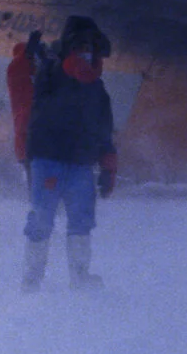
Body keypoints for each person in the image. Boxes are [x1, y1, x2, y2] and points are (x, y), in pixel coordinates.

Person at [15, 15, 118, 290]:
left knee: (82, 220)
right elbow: (31, 74)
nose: (87, 52)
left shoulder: (97, 89)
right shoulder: (51, 74)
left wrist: (109, 165)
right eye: (82, 45)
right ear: (70, 47)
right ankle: (32, 280)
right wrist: (36, 55)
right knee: (41, 218)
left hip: (81, 165)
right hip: (48, 161)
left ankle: (80, 277)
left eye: (92, 47)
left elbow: (104, 130)